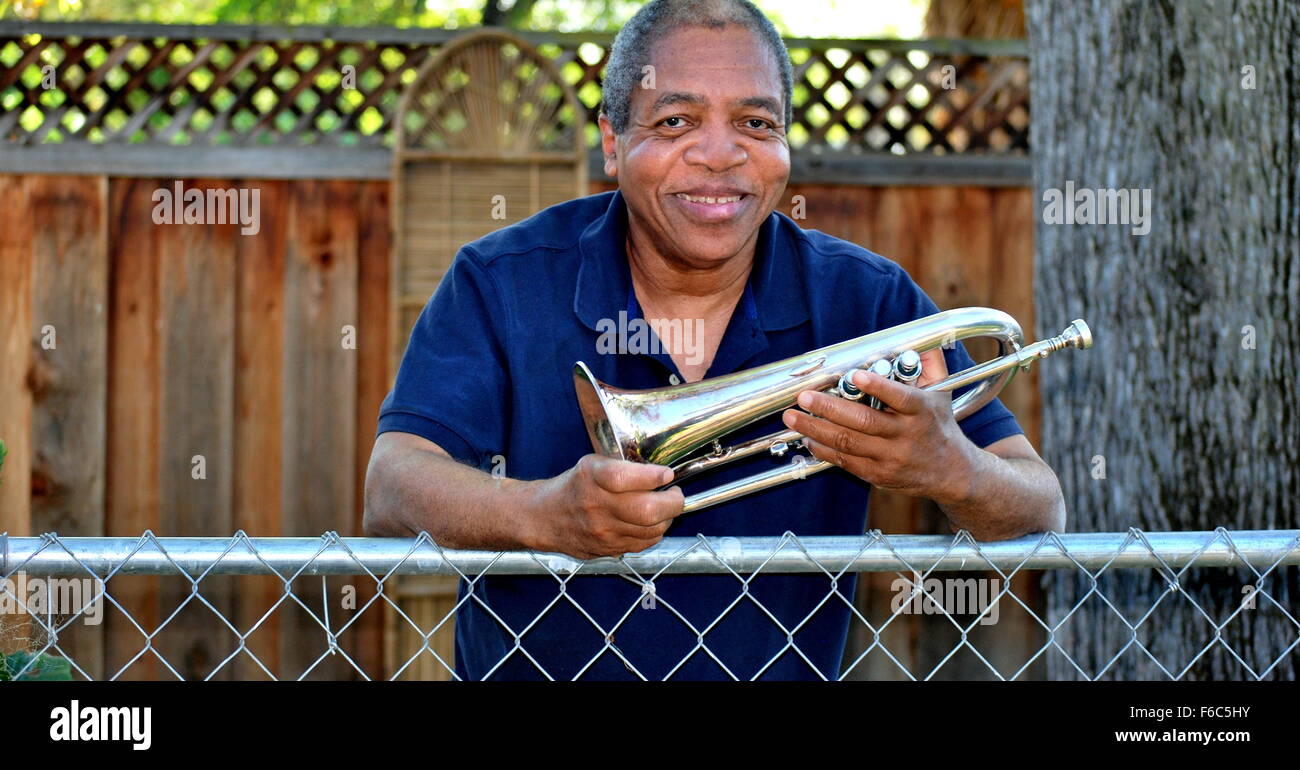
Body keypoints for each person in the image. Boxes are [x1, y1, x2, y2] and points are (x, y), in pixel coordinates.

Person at [364, 0, 1066, 680]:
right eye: (676, 120)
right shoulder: (501, 281)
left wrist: (950, 470)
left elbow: (1040, 508)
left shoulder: (868, 298)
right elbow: (392, 486)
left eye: (756, 122)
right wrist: (544, 516)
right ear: (613, 142)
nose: (720, 155)